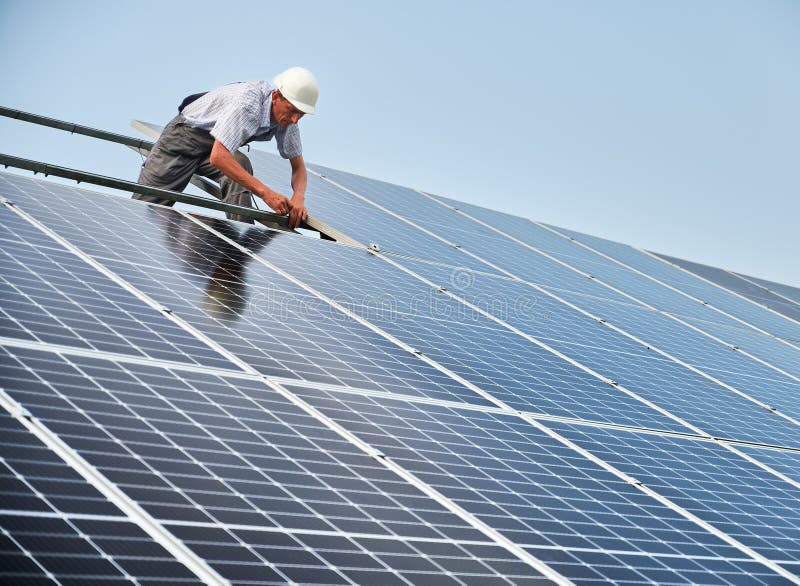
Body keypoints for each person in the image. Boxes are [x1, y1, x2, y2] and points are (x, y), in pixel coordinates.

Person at [132, 67, 318, 229]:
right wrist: (266, 194)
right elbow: (219, 157)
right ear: (276, 97)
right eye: (292, 111)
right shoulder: (248, 103)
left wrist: (298, 197)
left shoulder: (289, 119)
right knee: (144, 209)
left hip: (215, 146)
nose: (295, 119)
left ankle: (242, 235)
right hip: (183, 140)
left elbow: (298, 167)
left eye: (301, 114)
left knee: (240, 163)